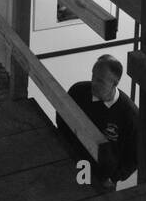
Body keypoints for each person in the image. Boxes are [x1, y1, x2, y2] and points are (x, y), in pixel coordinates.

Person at [57, 55, 139, 189]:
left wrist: (114, 178)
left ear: (115, 83)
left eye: (100, 81)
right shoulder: (78, 91)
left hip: (102, 178)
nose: (93, 83)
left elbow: (135, 155)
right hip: (71, 162)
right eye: (93, 76)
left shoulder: (130, 114)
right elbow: (62, 118)